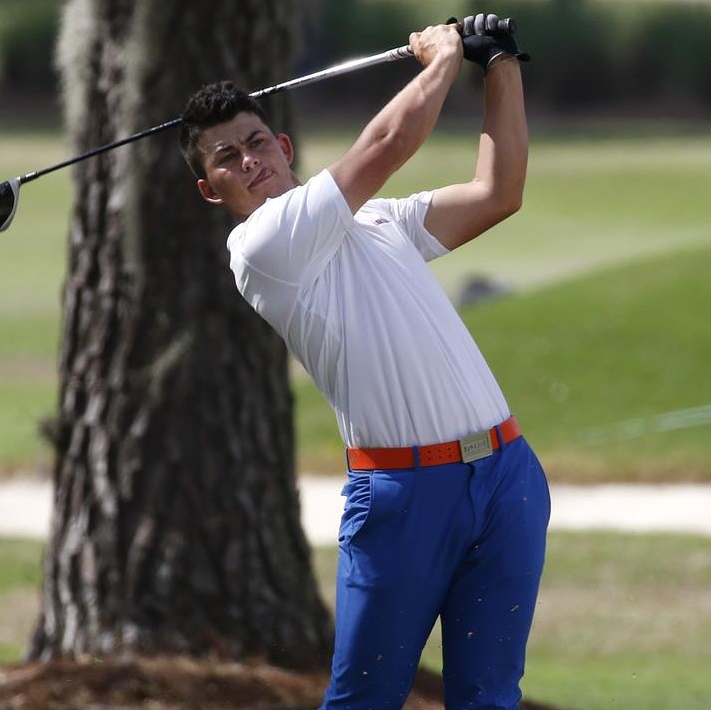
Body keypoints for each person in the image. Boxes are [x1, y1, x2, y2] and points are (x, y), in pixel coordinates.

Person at [178, 14, 549, 709]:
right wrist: (440, 59)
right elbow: (386, 143)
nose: (249, 161)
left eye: (256, 142)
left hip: (505, 477)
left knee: (490, 696)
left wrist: (499, 64)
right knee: (365, 699)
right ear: (210, 189)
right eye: (225, 158)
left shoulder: (378, 221)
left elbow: (498, 193)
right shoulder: (263, 248)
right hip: (402, 498)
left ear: (284, 147)